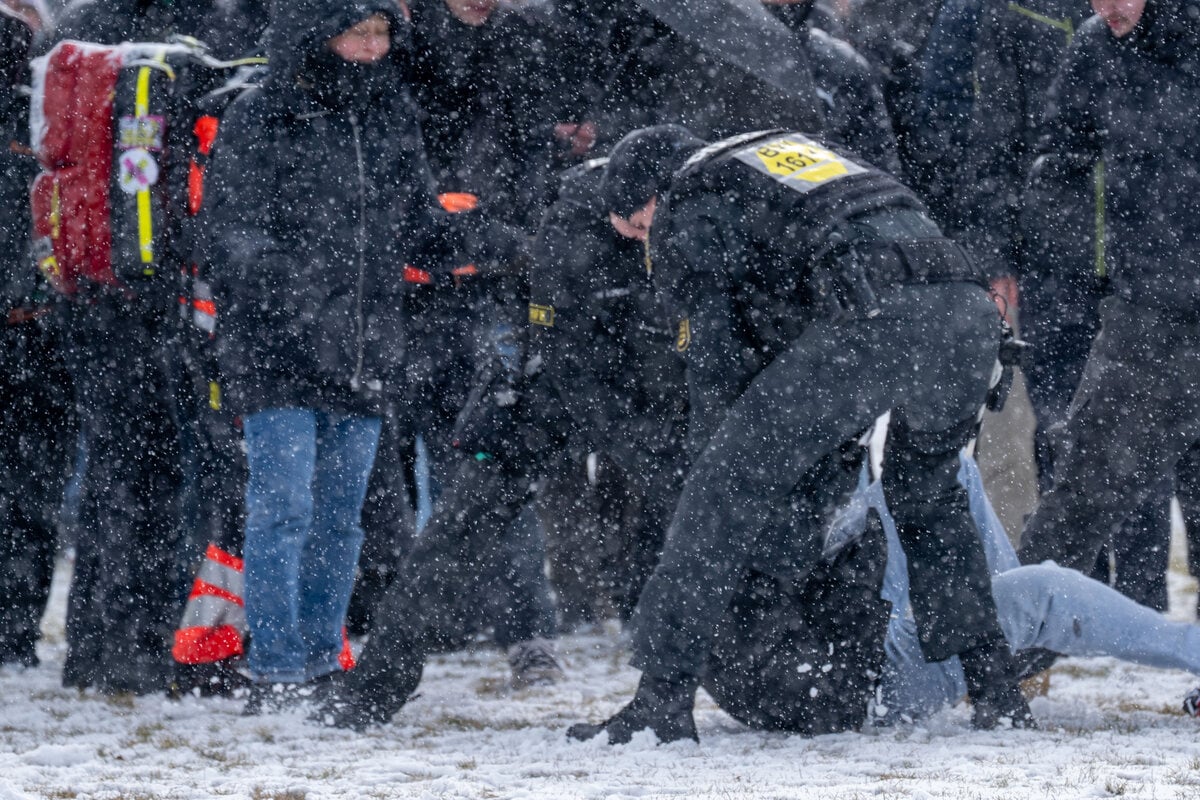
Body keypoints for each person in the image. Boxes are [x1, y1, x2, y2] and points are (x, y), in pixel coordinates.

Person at [568, 125, 1032, 745]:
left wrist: (714, 454)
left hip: (876, 315)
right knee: (931, 504)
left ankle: (660, 699)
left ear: (651, 198)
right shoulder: (785, 153)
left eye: (640, 232)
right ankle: (998, 693)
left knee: (716, 490)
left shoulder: (689, 197)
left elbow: (717, 361)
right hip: (967, 315)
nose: (647, 246)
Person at [205, 0, 446, 713]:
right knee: (282, 509)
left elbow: (419, 224)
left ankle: (318, 659)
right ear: (318, 31)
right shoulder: (261, 115)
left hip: (366, 346)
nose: (373, 47)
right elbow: (228, 232)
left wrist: (496, 246)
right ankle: (276, 668)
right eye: (357, 31)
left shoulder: (392, 114)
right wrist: (298, 289)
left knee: (341, 518)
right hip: (278, 347)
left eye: (382, 32)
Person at [1015, 0, 1200, 602]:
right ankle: (1001, 657)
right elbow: (1057, 164)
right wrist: (1071, 268)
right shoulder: (1096, 47)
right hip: (1145, 306)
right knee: (1083, 483)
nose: (1106, 6)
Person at [0, 0, 75, 670]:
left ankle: (15, 632)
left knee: (32, 493)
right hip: (38, 320)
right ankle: (14, 631)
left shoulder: (55, 103)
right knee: (31, 493)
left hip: (41, 324)